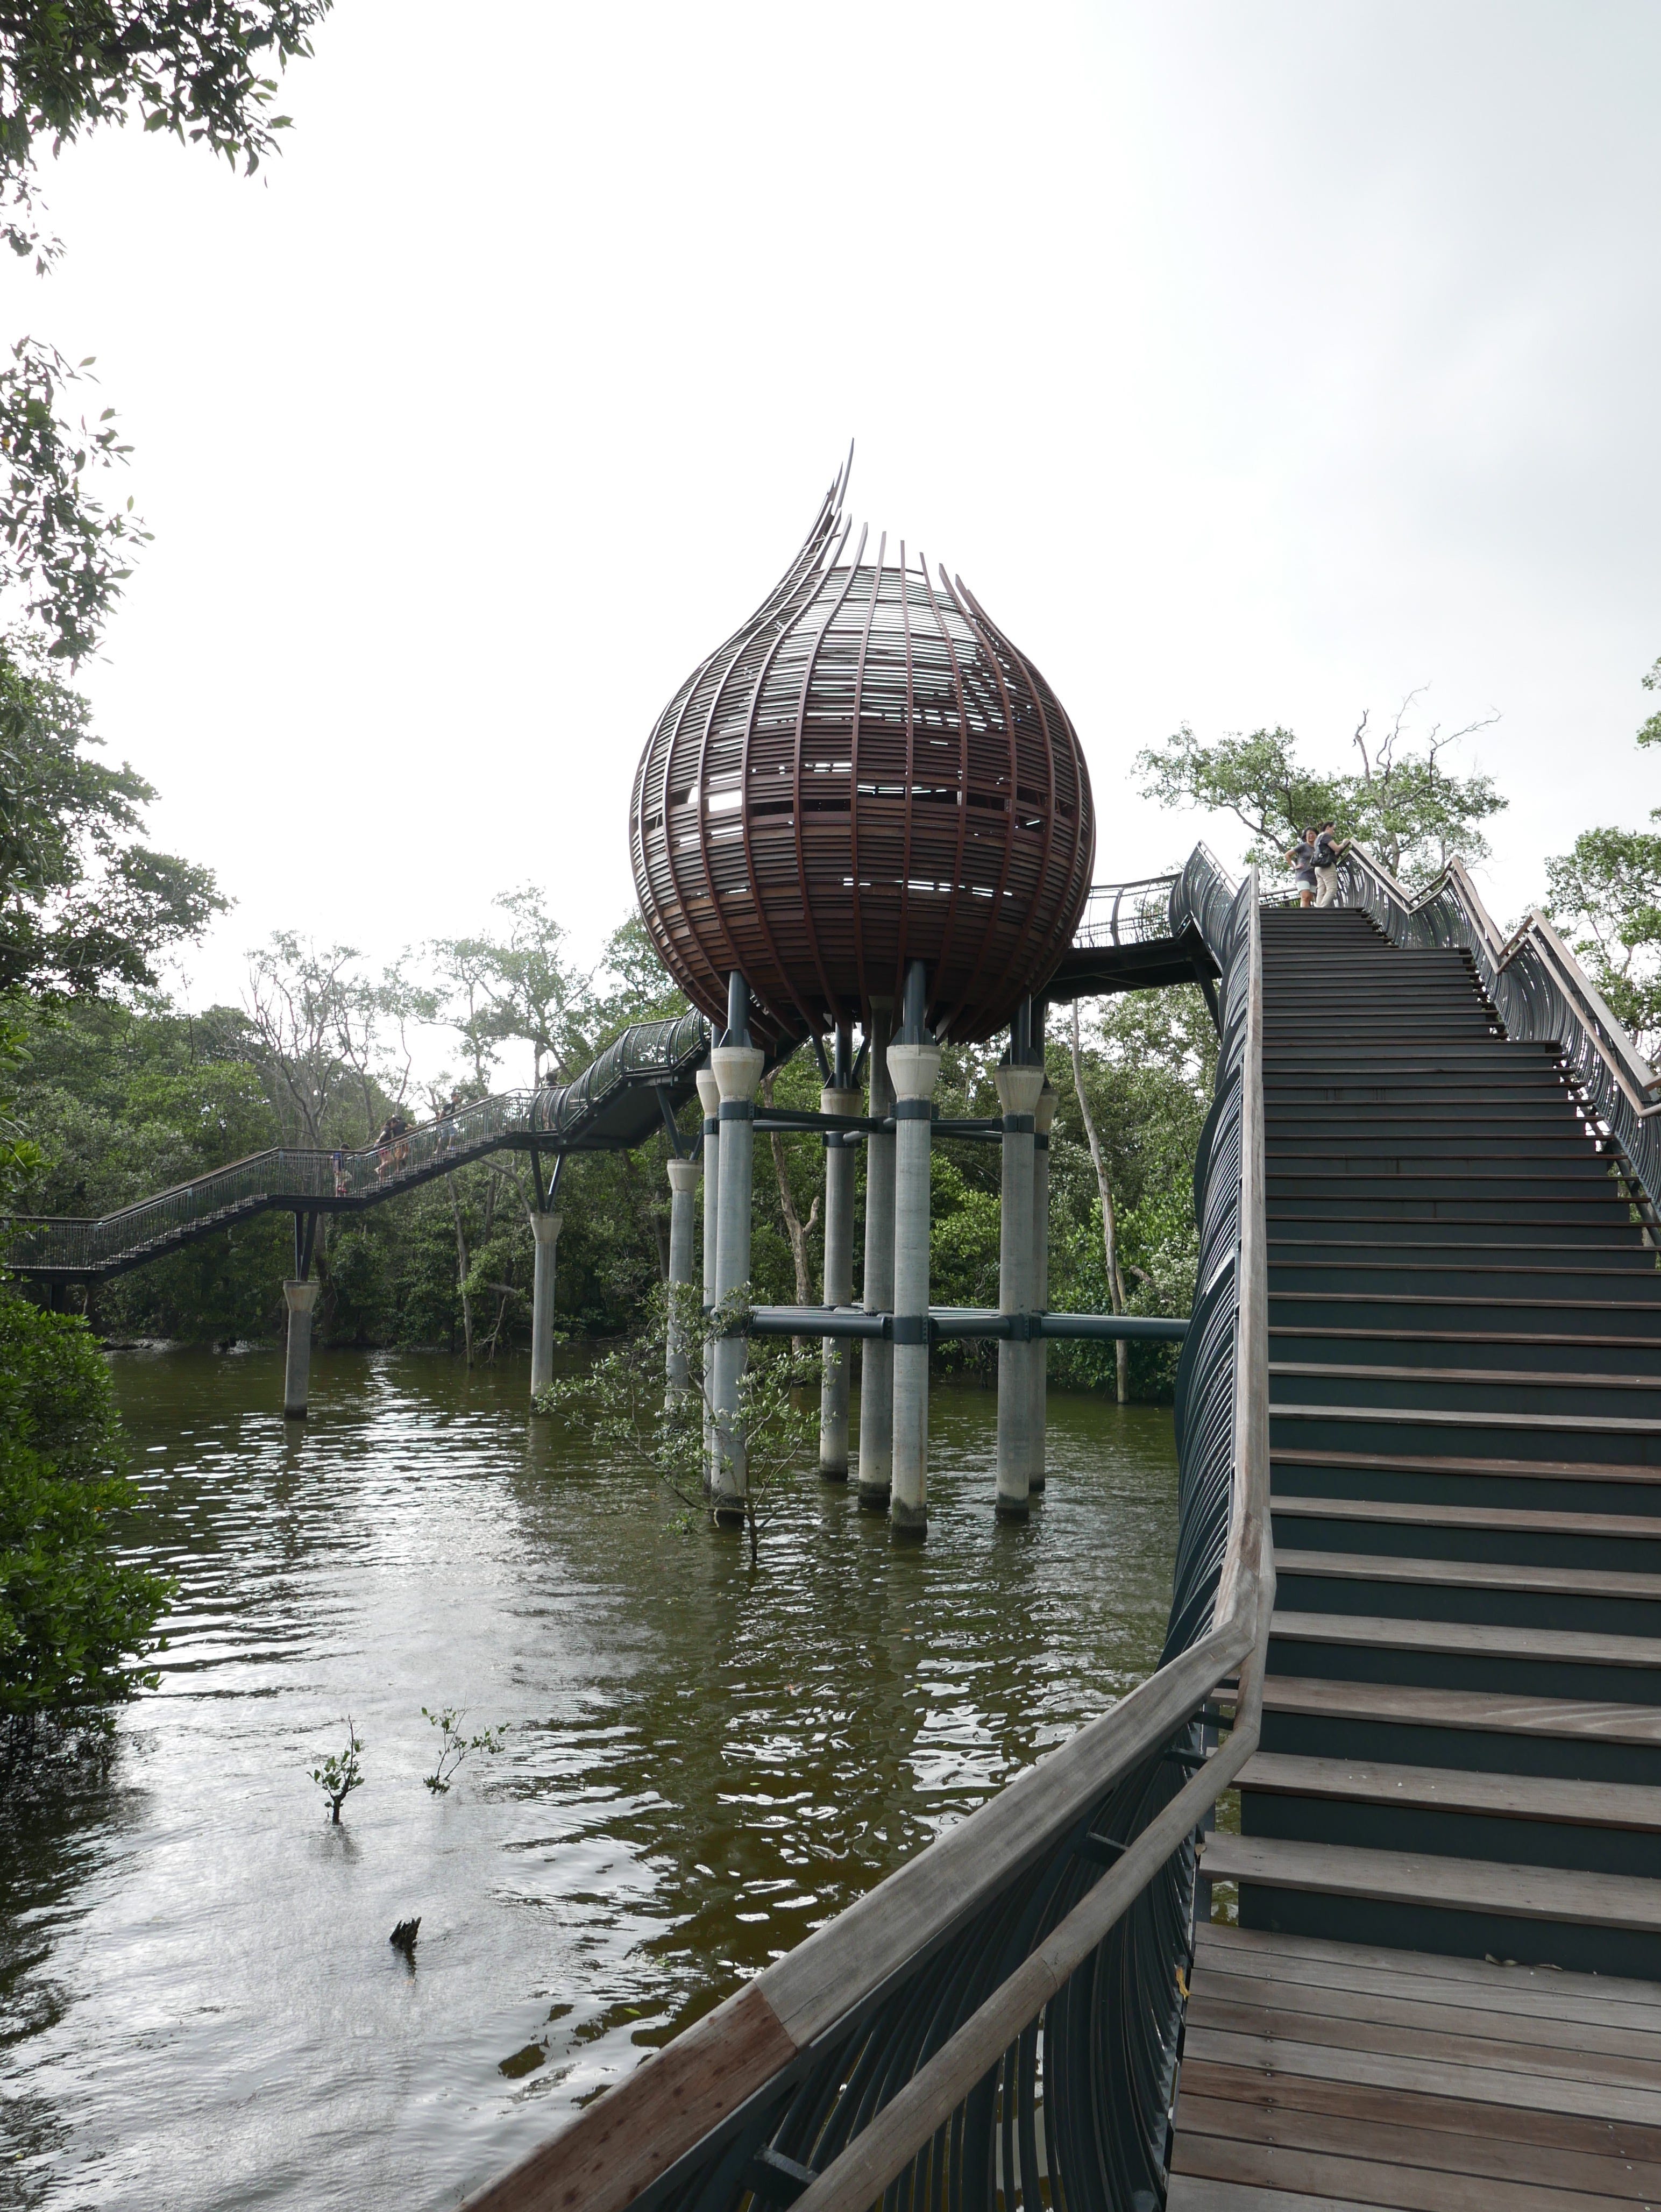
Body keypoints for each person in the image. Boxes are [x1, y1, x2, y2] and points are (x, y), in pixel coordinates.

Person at [1312, 821, 1348, 909]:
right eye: (1333, 829)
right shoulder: (1326, 836)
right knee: (1332, 889)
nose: (1334, 832)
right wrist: (1344, 843)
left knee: (1322, 890)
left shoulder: (1318, 839)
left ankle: (1318, 909)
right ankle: (1321, 910)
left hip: (1318, 867)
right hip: (1326, 866)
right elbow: (1337, 848)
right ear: (1328, 827)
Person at [1286, 827, 1317, 909]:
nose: (1311, 836)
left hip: (1314, 875)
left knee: (1309, 898)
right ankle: (1304, 918)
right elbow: (1287, 855)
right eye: (1308, 834)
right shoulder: (1303, 846)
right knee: (1305, 896)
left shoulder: (1319, 848)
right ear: (1305, 837)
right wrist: (1294, 867)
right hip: (1303, 874)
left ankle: (1308, 918)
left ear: (1317, 835)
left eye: (1312, 834)